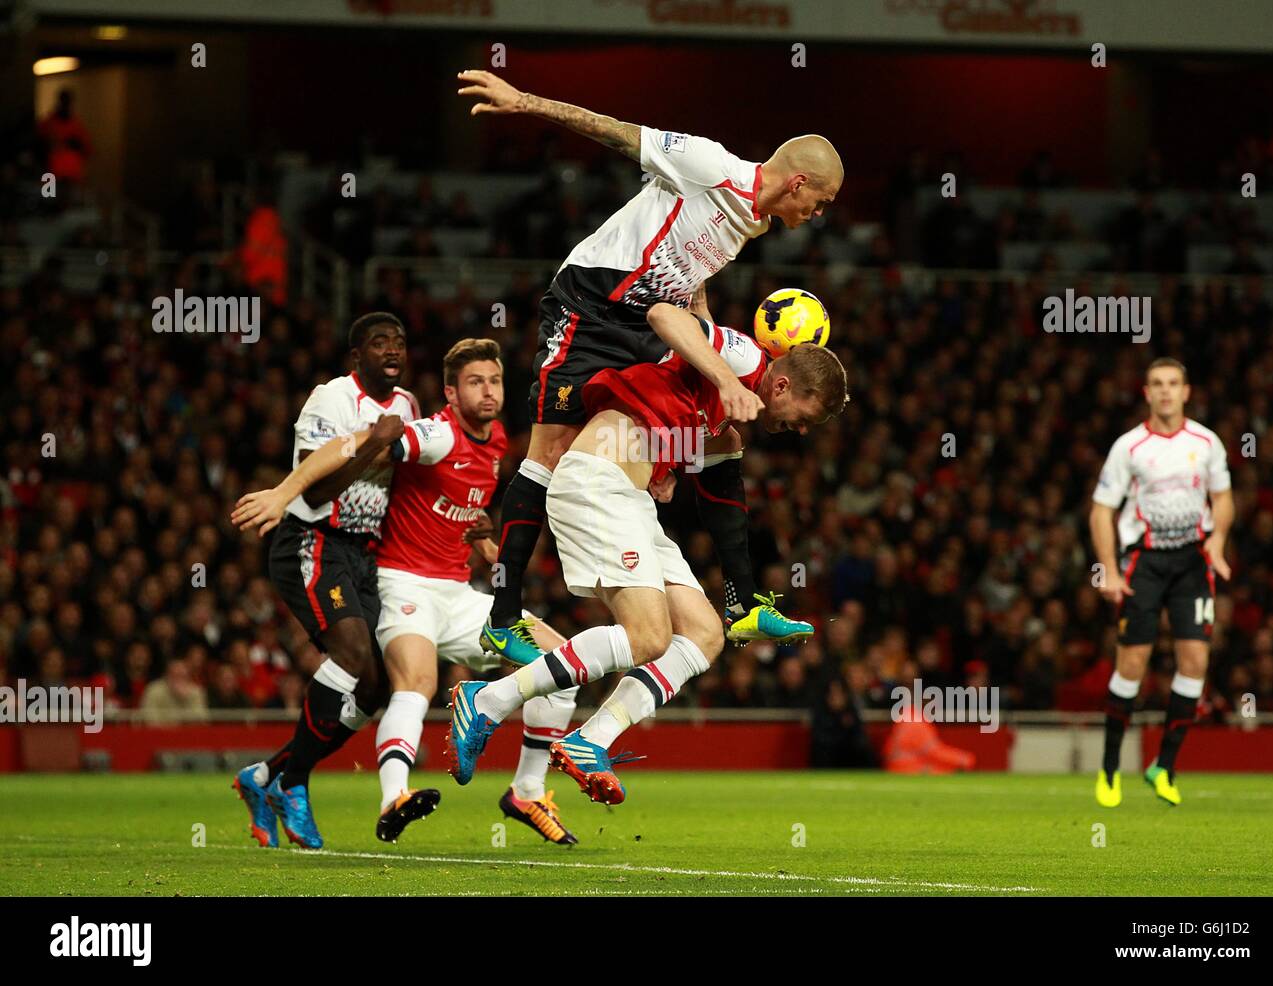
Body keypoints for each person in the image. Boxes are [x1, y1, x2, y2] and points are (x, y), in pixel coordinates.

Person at [455, 70, 844, 663]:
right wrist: (523, 101)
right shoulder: (710, 166)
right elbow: (615, 131)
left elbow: (691, 272)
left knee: (719, 438)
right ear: (798, 182)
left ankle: (741, 603)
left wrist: (702, 334)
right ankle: (502, 618)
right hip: (591, 304)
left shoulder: (755, 221)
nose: (819, 213)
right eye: (822, 201)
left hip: (647, 323)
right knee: (549, 453)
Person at [445, 299, 849, 805]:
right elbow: (663, 316)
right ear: (783, 385)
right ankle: (487, 700)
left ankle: (590, 740)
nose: (803, 430)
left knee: (704, 635)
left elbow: (718, 481)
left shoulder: (724, 413)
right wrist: (725, 380)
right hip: (597, 482)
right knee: (649, 637)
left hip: (630, 497)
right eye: (806, 418)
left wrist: (671, 465)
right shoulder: (744, 360)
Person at [234, 339, 581, 845]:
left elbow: (455, 513)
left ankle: (526, 791)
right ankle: (393, 797)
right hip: (403, 586)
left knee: (566, 663)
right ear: (451, 392)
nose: (487, 391)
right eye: (475, 382)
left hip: (458, 595)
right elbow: (357, 443)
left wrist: (485, 542)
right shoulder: (436, 433)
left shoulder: (498, 441)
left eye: (494, 381)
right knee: (415, 683)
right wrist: (284, 492)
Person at [230, 313, 417, 849]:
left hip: (364, 554)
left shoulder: (408, 405)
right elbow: (313, 492)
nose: (392, 350)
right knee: (352, 653)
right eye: (379, 342)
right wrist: (373, 443)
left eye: (399, 342)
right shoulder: (331, 399)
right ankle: (294, 783)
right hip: (313, 542)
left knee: (377, 688)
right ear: (356, 356)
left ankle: (265, 775)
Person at [1090, 357, 1233, 808]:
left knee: (1195, 661)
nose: (1166, 391)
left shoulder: (1206, 442)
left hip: (1192, 561)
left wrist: (1218, 541)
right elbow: (1101, 510)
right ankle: (1110, 768)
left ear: (1186, 392)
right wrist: (1109, 569)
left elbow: (1223, 497)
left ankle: (1164, 767)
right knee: (1132, 664)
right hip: (1144, 563)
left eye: (1173, 383)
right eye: (1157, 383)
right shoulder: (1129, 447)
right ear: (1147, 393)